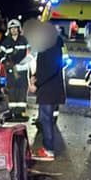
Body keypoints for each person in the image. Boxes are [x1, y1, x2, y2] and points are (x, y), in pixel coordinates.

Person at [26, 18, 65, 160]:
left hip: (49, 88)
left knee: (46, 119)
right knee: (44, 119)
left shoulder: (52, 46)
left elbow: (51, 69)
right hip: (47, 88)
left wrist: (37, 83)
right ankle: (47, 147)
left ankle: (49, 150)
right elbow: (42, 66)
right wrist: (34, 77)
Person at [0, 17, 29, 113]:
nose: (14, 30)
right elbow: (0, 56)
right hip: (11, 70)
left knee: (22, 89)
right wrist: (6, 63)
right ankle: (13, 110)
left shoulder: (24, 40)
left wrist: (25, 61)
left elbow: (31, 53)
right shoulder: (6, 42)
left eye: (15, 28)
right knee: (12, 89)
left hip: (23, 69)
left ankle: (20, 110)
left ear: (19, 29)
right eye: (12, 28)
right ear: (9, 30)